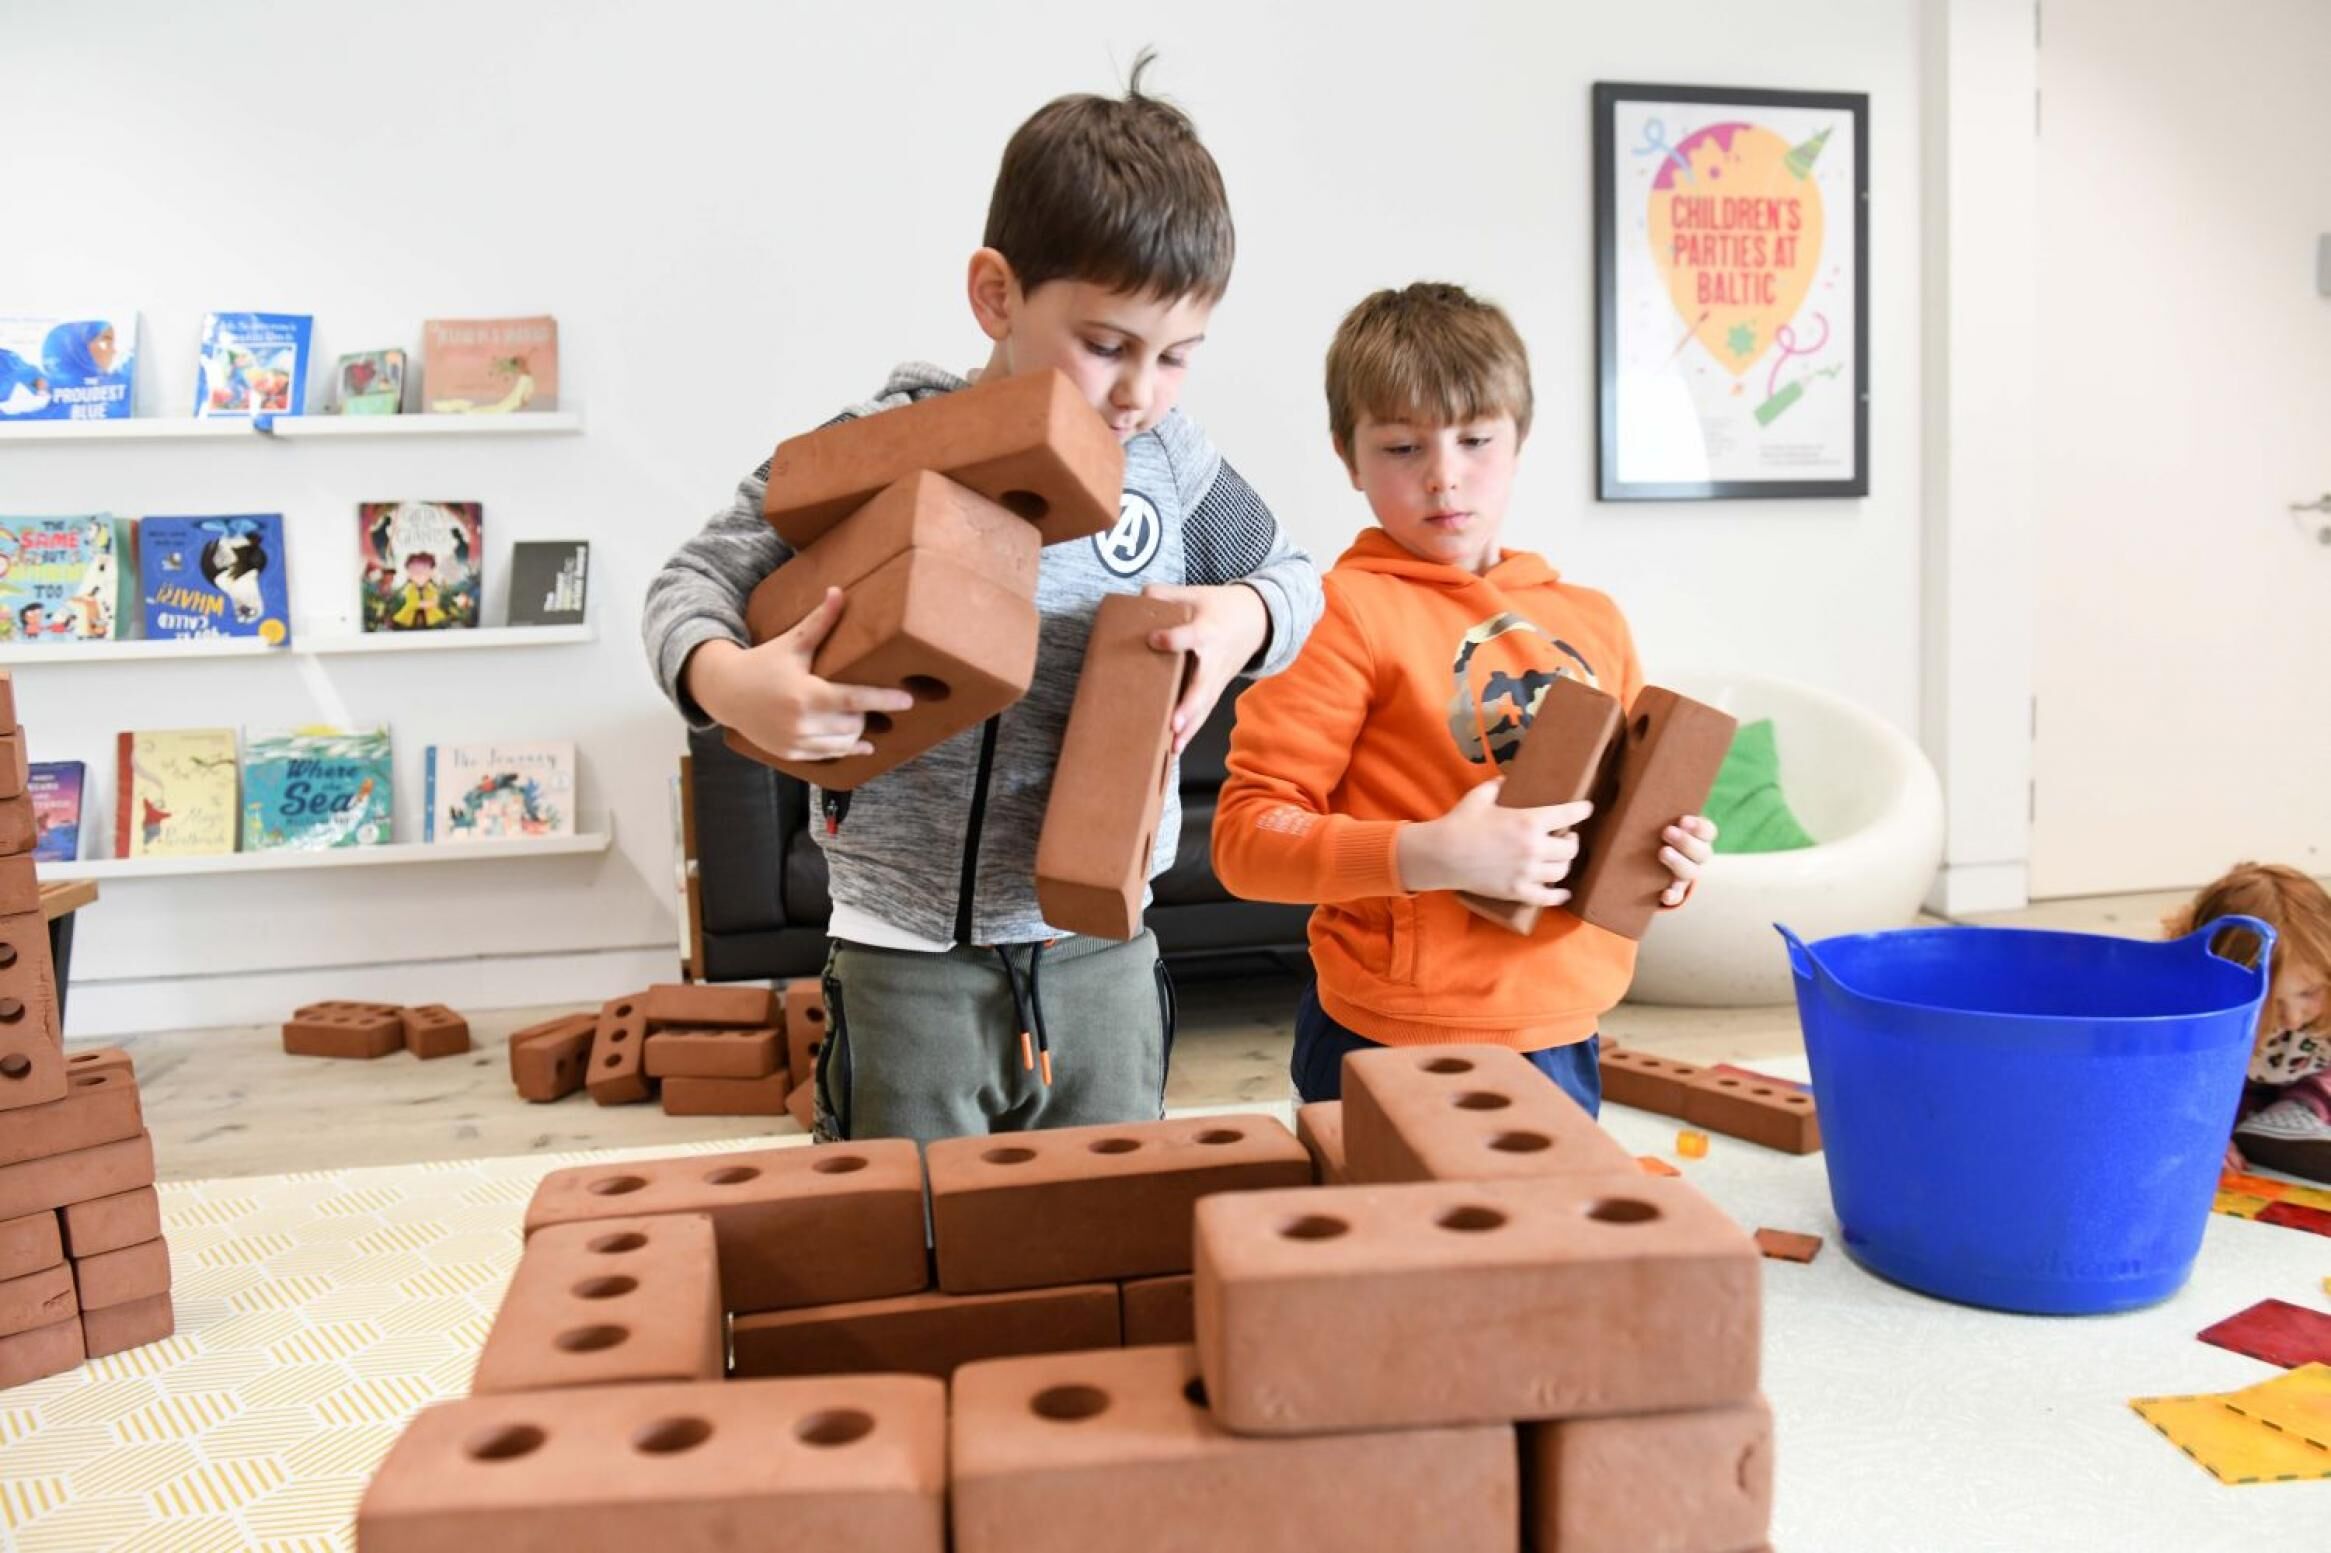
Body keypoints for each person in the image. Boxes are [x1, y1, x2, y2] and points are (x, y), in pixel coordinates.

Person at [641, 55, 1321, 1144]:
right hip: (905, 945)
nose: (1141, 391)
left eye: (1179, 356)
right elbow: (691, 582)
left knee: (1101, 1221)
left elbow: (1296, 576)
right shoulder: (888, 441)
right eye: (1106, 347)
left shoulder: (1175, 463)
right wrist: (730, 685)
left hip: (1103, 945)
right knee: (905, 1231)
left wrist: (1245, 619)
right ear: (996, 295)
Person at [1212, 282, 1714, 1111]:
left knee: (1546, 1241)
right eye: (1402, 449)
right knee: (1391, 1242)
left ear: (1518, 442)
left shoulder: (1594, 620)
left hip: (1563, 1021)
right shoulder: (1339, 611)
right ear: (1347, 456)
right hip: (1391, 1032)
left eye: (1476, 438)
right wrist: (1434, 853)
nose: (1445, 478)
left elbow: (1613, 828)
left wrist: (1666, 862)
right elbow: (1243, 838)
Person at [2164, 862, 2331, 1181]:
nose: (2293, 1018)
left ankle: (2297, 1112)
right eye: (2272, 1003)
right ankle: (2253, 1126)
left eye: (2309, 993)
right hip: (2237, 1094)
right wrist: (2202, 1135)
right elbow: (2176, 1084)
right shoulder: (2190, 1006)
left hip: (2309, 1082)